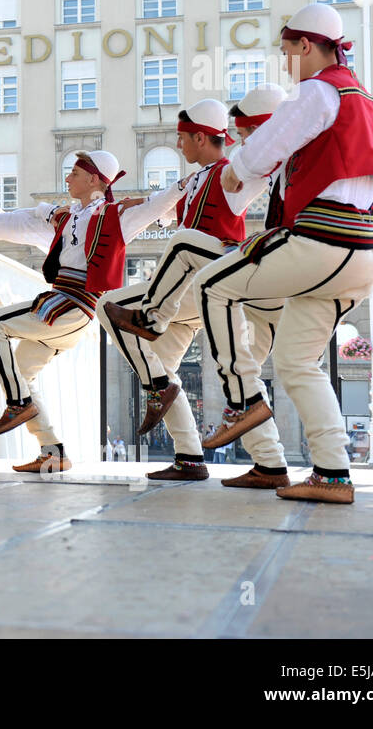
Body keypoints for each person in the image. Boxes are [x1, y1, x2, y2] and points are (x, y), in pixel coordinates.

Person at [199, 3, 373, 504]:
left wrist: (236, 169)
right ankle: (332, 475)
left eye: (287, 52)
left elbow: (260, 153)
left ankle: (240, 401)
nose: (286, 63)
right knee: (297, 361)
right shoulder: (359, 95)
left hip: (322, 243)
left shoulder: (319, 88)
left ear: (306, 45)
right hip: (362, 253)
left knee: (211, 285)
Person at [97, 96, 291, 486]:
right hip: (192, 295)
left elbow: (264, 165)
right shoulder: (195, 179)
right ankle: (209, 458)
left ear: (202, 138)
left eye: (183, 137)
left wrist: (272, 126)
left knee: (109, 304)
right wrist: (127, 205)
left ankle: (158, 371)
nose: (179, 145)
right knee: (172, 369)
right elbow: (165, 203)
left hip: (209, 277)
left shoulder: (234, 173)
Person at [0, 150, 183, 473]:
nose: (67, 178)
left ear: (95, 179)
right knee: (23, 373)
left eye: (74, 173)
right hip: (60, 304)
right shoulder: (67, 217)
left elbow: (160, 204)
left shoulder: (117, 215)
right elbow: (15, 220)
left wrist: (173, 188)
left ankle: (17, 404)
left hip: (73, 306)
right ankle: (52, 451)